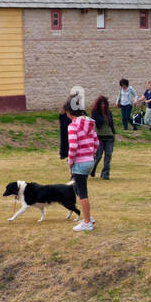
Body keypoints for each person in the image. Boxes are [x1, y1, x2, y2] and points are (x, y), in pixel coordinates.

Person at [65, 91, 98, 231]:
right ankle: (88, 217)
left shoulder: (72, 126)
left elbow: (73, 147)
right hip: (90, 160)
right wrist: (91, 155)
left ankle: (86, 222)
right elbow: (96, 143)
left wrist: (70, 162)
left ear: (69, 112)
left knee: (82, 193)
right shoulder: (90, 124)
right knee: (77, 188)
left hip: (79, 162)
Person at [89, 95, 115, 179]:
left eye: (104, 103)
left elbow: (111, 124)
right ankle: (92, 169)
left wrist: (114, 133)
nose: (103, 105)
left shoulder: (108, 112)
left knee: (108, 155)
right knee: (98, 156)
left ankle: (105, 174)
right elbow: (94, 123)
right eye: (101, 104)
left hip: (109, 137)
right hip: (99, 136)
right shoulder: (95, 112)